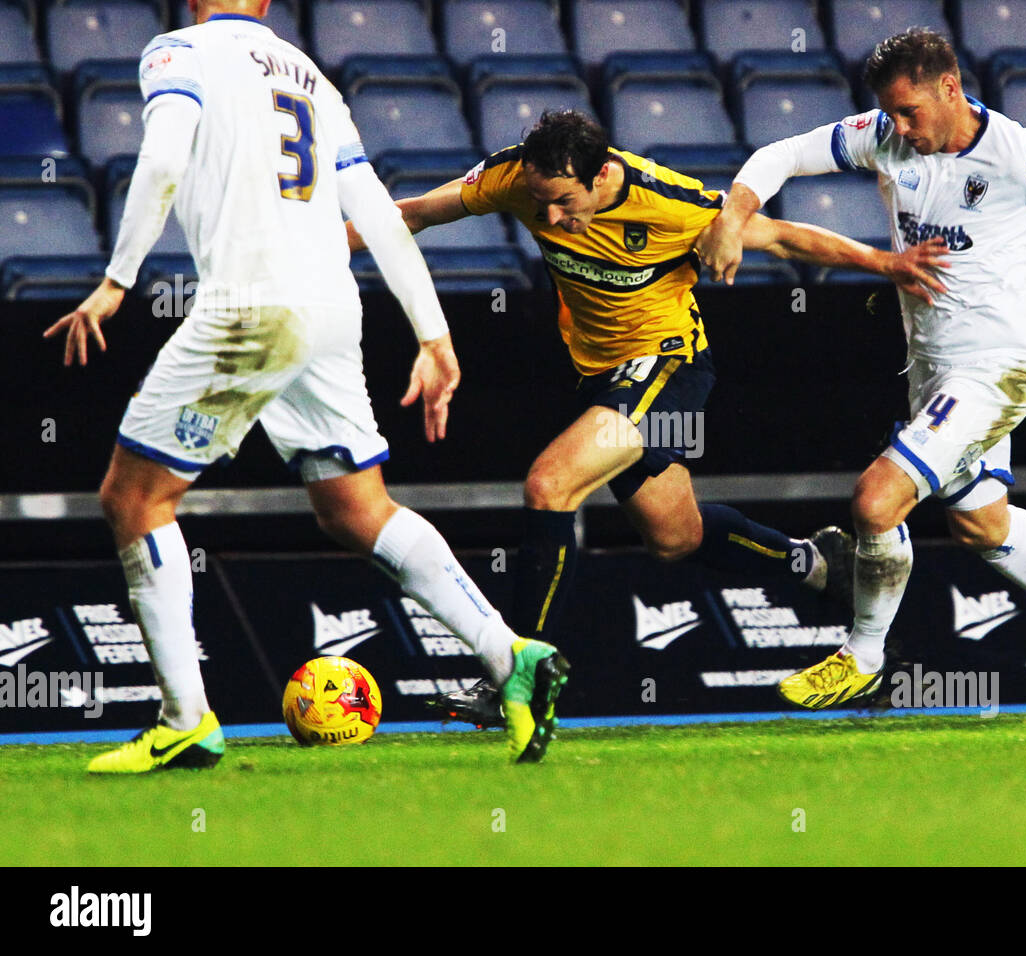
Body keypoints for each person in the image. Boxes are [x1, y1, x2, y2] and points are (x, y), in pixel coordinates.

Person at [42, 0, 566, 770]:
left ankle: (184, 717)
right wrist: (433, 331)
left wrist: (117, 282)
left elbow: (159, 163)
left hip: (251, 307)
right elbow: (381, 217)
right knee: (358, 508)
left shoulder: (174, 52)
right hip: (329, 309)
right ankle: (509, 654)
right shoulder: (311, 75)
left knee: (135, 499)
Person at [348, 109, 948, 725]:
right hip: (602, 374)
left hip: (666, 366)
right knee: (674, 536)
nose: (549, 219)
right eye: (539, 202)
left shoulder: (668, 204)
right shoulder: (518, 179)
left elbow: (786, 237)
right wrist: (314, 254)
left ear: (601, 174)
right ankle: (818, 564)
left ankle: (514, 679)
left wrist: (888, 265)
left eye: (561, 203)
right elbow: (413, 213)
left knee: (549, 485)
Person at [697, 27, 1026, 710]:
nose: (900, 127)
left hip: (996, 370)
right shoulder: (883, 135)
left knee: (876, 500)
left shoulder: (1020, 153)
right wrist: (734, 214)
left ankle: (863, 656)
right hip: (932, 371)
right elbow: (783, 153)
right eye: (892, 114)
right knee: (982, 525)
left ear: (950, 88)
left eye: (912, 112)